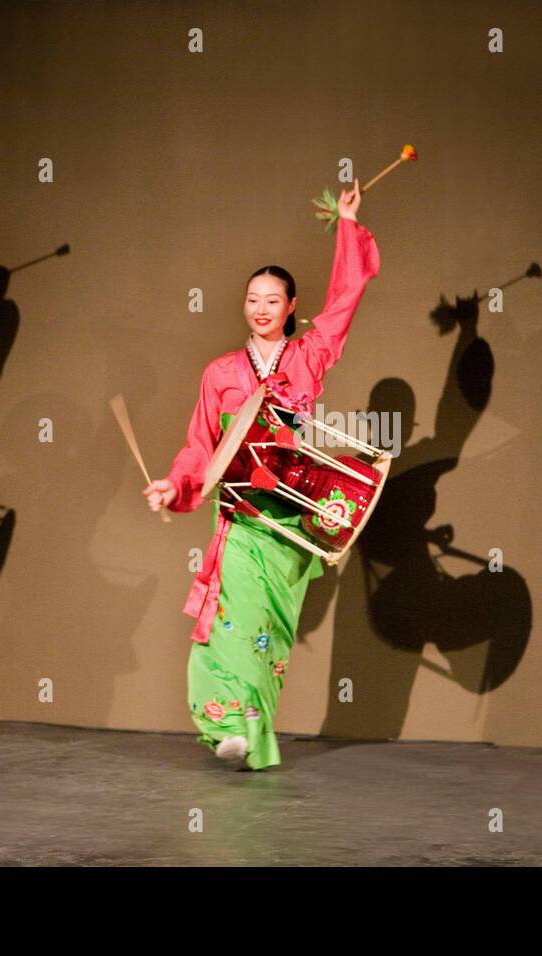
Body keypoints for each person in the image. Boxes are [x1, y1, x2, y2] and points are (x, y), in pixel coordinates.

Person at [143, 179, 379, 770]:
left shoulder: (307, 359)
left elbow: (347, 297)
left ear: (291, 307)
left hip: (289, 516)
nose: (261, 308)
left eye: (273, 299)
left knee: (265, 633)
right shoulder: (220, 372)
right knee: (226, 624)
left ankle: (252, 734)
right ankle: (231, 729)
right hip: (240, 516)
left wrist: (347, 225)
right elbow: (201, 445)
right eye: (253, 299)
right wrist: (175, 486)